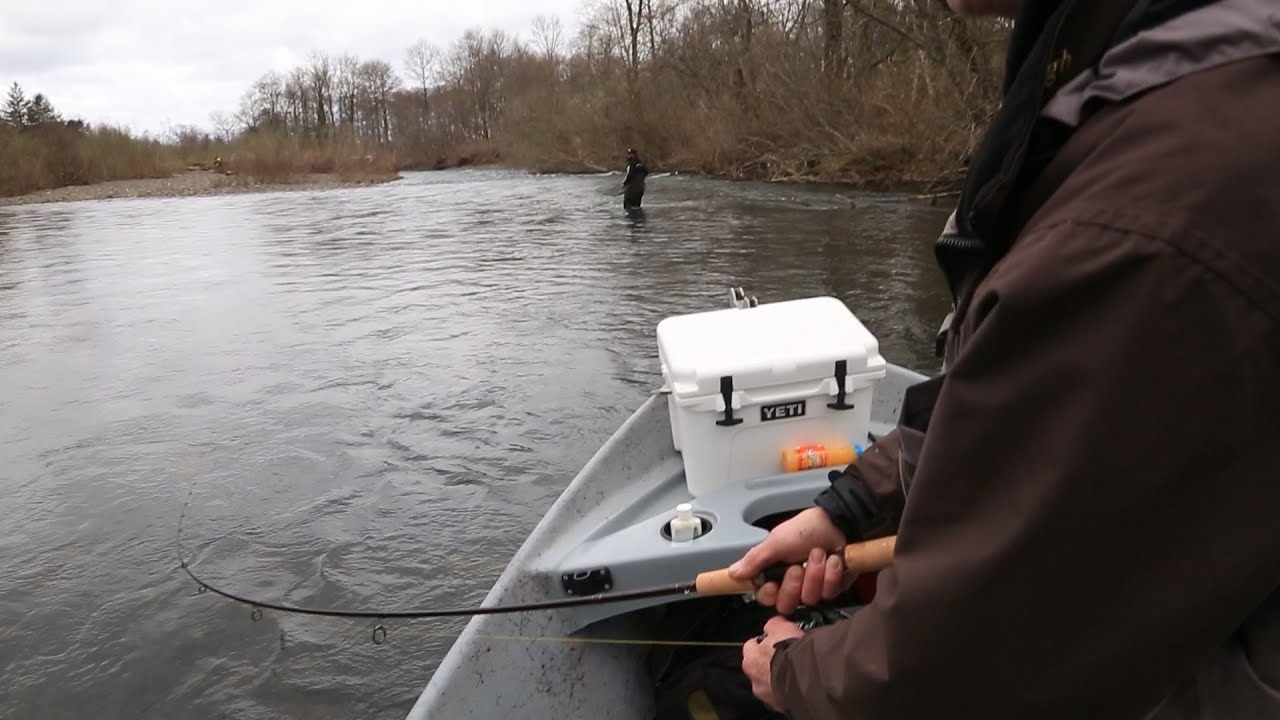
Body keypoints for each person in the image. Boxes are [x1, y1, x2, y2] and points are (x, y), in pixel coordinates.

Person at [731, 1, 1280, 718]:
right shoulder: (1167, 90)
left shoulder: (1155, 208)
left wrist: (794, 672)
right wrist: (851, 508)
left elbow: (962, 673)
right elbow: (1034, 397)